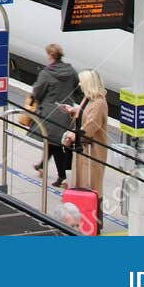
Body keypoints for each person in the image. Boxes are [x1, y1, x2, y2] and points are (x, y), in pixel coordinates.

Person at [30, 43, 80, 188]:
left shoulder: (46, 73)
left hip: (50, 114)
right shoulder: (71, 71)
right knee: (54, 142)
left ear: (51, 56)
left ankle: (62, 177)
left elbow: (38, 92)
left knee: (56, 144)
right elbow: (77, 89)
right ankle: (41, 166)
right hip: (66, 113)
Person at [63, 68, 109, 197]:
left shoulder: (99, 103)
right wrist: (74, 110)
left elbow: (90, 127)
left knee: (91, 186)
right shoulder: (88, 98)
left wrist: (71, 135)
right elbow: (85, 115)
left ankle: (93, 214)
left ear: (89, 83)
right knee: (82, 184)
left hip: (93, 152)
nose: (79, 84)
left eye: (82, 81)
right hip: (82, 149)